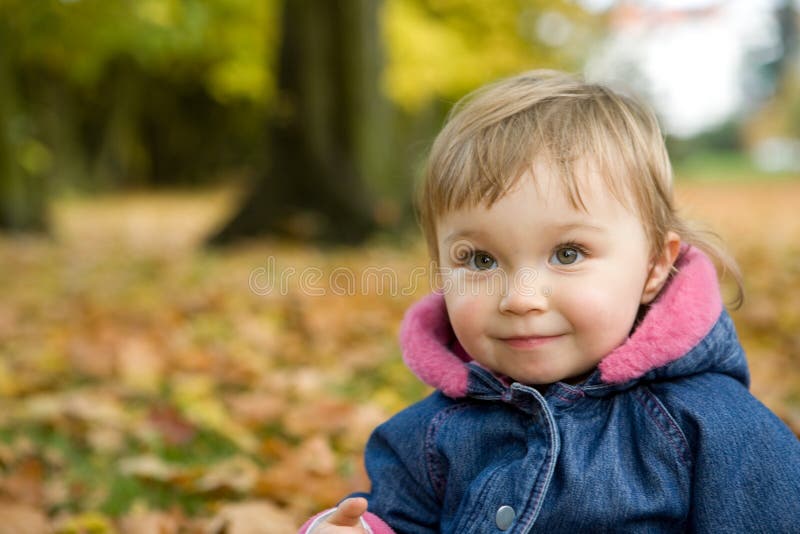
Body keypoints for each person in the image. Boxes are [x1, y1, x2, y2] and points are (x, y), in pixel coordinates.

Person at [299, 70, 800, 533]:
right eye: (479, 261)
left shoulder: (713, 428)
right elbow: (398, 520)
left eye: (567, 253)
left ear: (653, 266)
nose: (520, 299)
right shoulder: (425, 437)